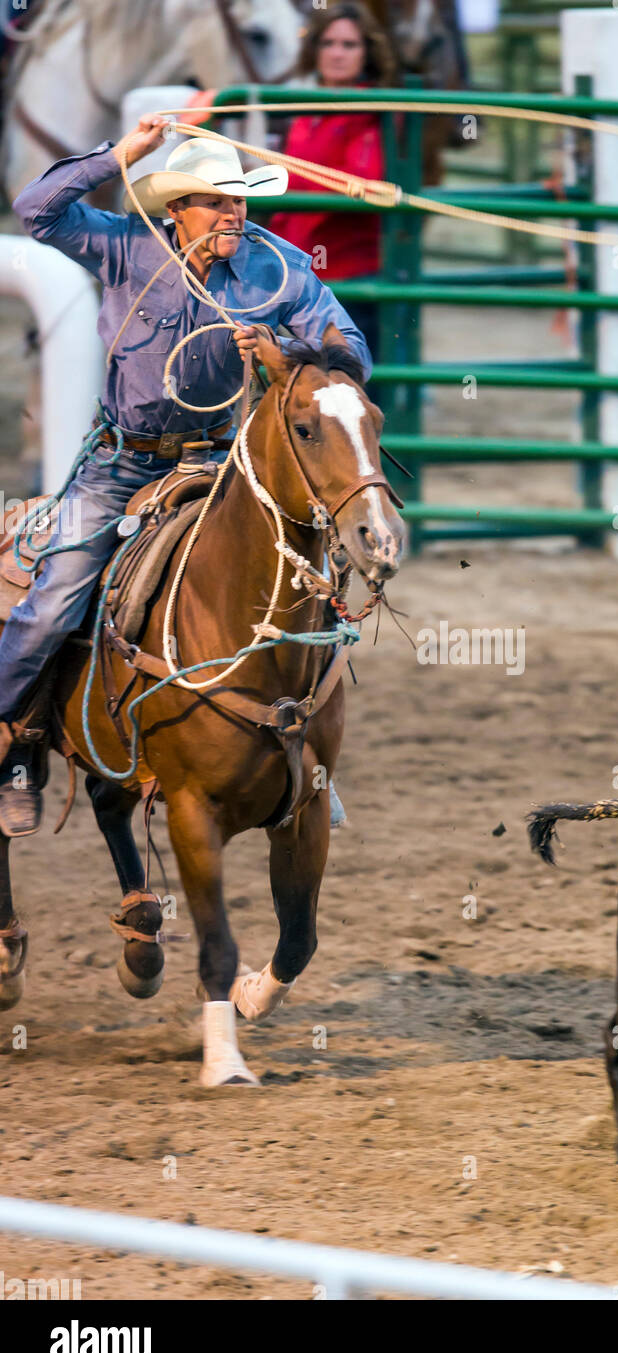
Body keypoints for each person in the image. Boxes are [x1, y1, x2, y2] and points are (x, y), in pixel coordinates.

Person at [0, 116, 371, 836]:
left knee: (295, 586)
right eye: (215, 200)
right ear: (176, 208)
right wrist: (121, 154)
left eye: (239, 201)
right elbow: (34, 210)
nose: (233, 215)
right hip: (121, 461)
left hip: (221, 458)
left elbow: (348, 347)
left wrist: (284, 349)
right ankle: (14, 745)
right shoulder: (124, 246)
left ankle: (297, 742)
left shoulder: (279, 266)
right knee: (52, 601)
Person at [266, 2, 397, 368]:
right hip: (301, 274)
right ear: (315, 50)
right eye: (328, 43)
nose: (337, 53)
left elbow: (359, 184)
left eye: (349, 45)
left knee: (350, 382)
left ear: (367, 52)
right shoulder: (305, 109)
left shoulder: (375, 110)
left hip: (348, 272)